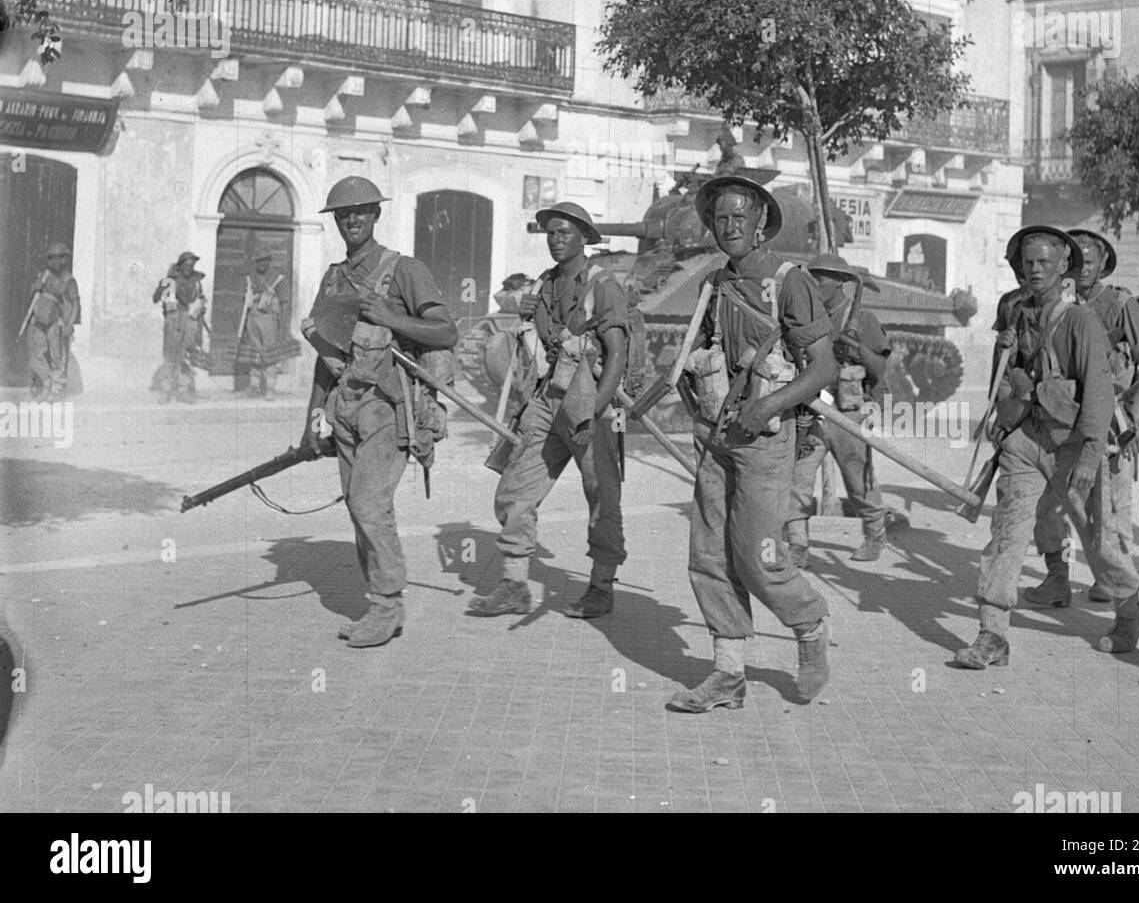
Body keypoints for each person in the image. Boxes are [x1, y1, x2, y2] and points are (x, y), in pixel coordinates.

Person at [668, 174, 838, 712]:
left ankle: (809, 626)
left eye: (740, 217)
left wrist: (768, 405)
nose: (729, 227)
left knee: (758, 554)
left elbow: (823, 367)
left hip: (765, 438)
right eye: (720, 218)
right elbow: (695, 354)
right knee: (709, 553)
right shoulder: (712, 283)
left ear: (761, 221)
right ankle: (728, 674)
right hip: (714, 436)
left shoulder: (791, 281)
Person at [953, 225, 1139, 670]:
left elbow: (1098, 390)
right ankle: (992, 633)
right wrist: (1003, 357)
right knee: (1006, 535)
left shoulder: (1080, 321)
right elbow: (1003, 390)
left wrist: (1091, 454)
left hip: (1072, 445)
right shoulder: (1018, 316)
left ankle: (1130, 612)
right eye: (1028, 262)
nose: (1034, 269)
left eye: (1043, 262)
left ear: (1064, 266)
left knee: (1098, 542)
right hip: (1026, 441)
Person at [300, 176, 458, 649]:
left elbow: (445, 331)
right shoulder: (333, 277)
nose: (352, 220)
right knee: (357, 505)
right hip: (344, 406)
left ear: (376, 215)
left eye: (361, 212)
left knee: (369, 503)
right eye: (343, 214)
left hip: (390, 408)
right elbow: (324, 348)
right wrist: (313, 418)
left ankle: (387, 606)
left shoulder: (403, 270)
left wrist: (390, 318)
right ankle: (379, 603)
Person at [467, 202, 629, 621]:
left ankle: (601, 586)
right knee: (516, 488)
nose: (556, 240)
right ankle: (514, 584)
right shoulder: (542, 284)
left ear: (583, 238)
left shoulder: (603, 285)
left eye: (564, 233)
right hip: (545, 399)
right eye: (551, 234)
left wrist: (595, 409)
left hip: (587, 401)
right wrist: (524, 313)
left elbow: (617, 352)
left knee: (601, 494)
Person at [1022, 228, 1139, 608]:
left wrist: (1131, 423)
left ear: (1102, 266)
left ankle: (1122, 599)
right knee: (1048, 511)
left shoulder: (1121, 304)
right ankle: (1057, 579)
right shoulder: (1055, 306)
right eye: (1075, 260)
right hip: (1061, 428)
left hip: (1109, 425)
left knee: (1107, 517)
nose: (1081, 269)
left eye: (1089, 261)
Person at [784, 253, 904, 564]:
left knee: (857, 481)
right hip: (811, 408)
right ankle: (798, 545)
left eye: (820, 278)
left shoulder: (863, 319)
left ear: (839, 282)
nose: (814, 284)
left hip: (848, 411)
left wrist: (852, 345)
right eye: (811, 278)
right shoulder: (807, 316)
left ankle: (875, 534)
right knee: (798, 479)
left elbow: (879, 369)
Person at [235, 252, 298, 398]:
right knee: (254, 351)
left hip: (269, 319)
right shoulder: (250, 277)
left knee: (269, 353)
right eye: (259, 260)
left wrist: (283, 325)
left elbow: (284, 303)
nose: (262, 263)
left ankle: (270, 388)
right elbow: (243, 299)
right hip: (253, 318)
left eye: (265, 260)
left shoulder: (278, 278)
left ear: (269, 261)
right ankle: (254, 387)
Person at [152, 252, 208, 403]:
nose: (189, 268)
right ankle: (165, 391)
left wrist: (200, 331)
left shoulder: (196, 282)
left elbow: (201, 304)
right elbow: (156, 298)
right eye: (186, 265)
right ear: (180, 265)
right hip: (173, 319)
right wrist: (165, 283)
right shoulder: (170, 281)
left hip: (190, 320)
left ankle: (183, 391)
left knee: (186, 357)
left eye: (192, 265)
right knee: (170, 356)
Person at [27, 243, 80, 401]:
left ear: (65, 259)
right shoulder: (45, 275)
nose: (54, 262)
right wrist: (36, 286)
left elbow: (75, 303)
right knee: (36, 354)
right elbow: (35, 291)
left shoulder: (69, 280)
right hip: (40, 320)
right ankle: (47, 382)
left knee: (57, 356)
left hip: (56, 322)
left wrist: (69, 324)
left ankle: (57, 389)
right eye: (51, 258)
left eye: (58, 258)